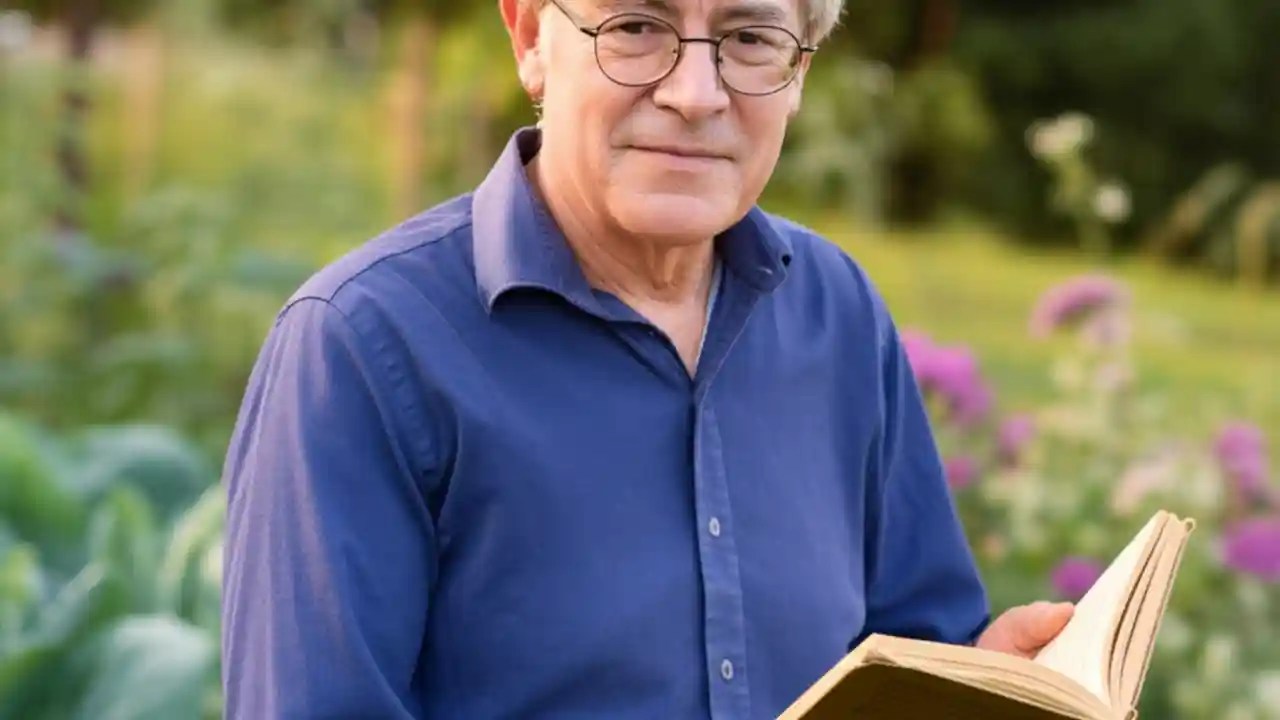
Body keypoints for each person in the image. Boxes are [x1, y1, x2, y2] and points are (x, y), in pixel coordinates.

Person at [220, 0, 1075, 717]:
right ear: (530, 37)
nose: (695, 94)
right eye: (636, 26)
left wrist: (984, 685)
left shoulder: (838, 316)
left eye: (749, 37)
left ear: (800, 71)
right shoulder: (363, 348)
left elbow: (916, 655)